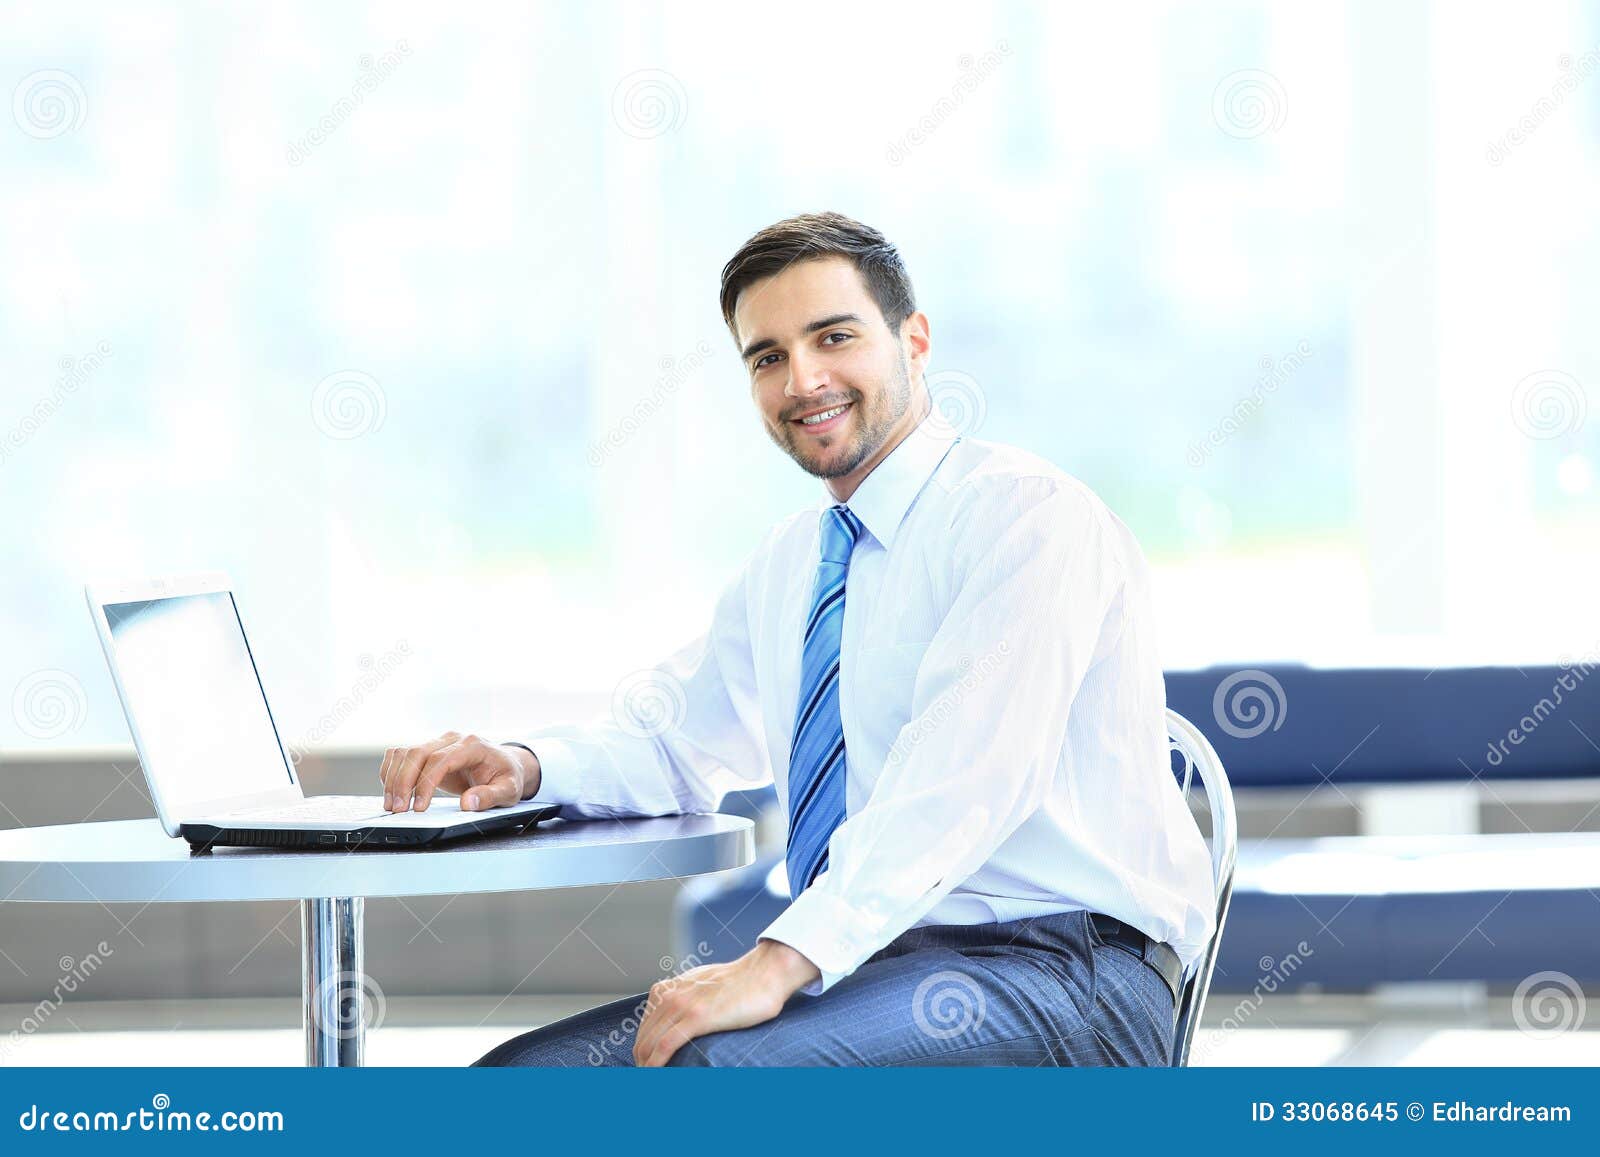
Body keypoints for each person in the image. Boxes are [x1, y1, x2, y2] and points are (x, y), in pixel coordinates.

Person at [377, 212, 1215, 1067]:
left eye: (834, 336)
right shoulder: (795, 564)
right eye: (767, 356)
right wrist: (525, 764)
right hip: (872, 964)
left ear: (913, 341)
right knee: (519, 1078)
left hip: (1063, 973)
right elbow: (677, 740)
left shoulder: (1028, 519)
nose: (802, 379)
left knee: (702, 1078)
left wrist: (779, 960)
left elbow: (961, 781)